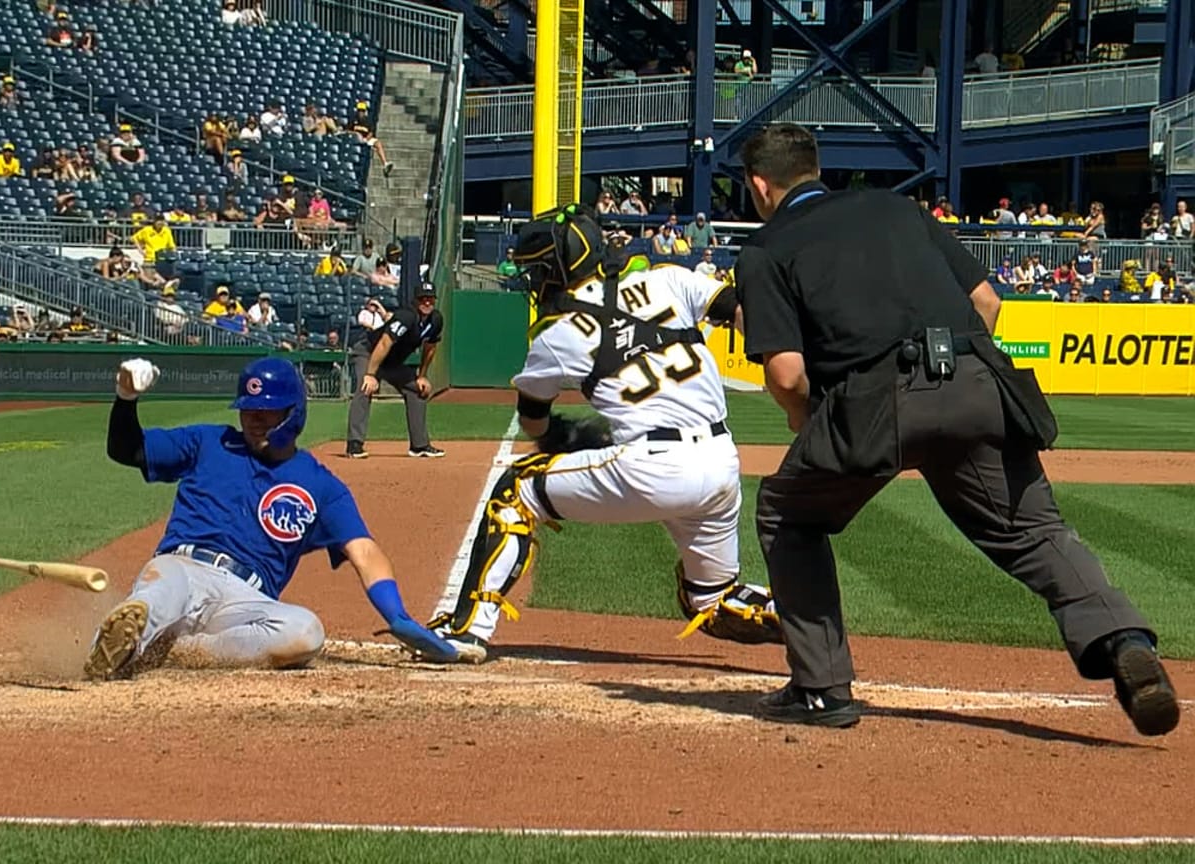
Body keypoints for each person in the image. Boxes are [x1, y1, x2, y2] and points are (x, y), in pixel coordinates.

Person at [733, 123, 1178, 735]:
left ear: (760, 186)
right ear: (814, 167)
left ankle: (822, 689)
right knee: (1032, 530)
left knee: (789, 514)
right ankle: (1122, 637)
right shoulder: (898, 208)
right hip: (976, 377)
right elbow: (988, 302)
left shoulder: (764, 249)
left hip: (872, 397)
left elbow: (787, 376)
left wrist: (809, 423)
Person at [426, 203, 780, 658]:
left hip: (652, 468)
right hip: (722, 462)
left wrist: (559, 438)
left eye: (540, 273)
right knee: (711, 601)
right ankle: (806, 621)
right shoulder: (667, 278)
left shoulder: (557, 335)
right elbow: (740, 309)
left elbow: (533, 418)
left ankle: (466, 629)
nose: (537, 283)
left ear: (559, 270)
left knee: (517, 489)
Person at [84, 356, 477, 679]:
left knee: (305, 632)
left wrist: (398, 615)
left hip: (246, 599)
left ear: (294, 413)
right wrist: (125, 396)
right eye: (249, 410)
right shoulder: (208, 442)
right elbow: (126, 449)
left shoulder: (320, 485)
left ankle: (180, 651)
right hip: (183, 567)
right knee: (158, 594)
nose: (254, 419)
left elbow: (364, 550)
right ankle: (116, 648)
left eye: (267, 411)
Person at [345, 283, 444, 459]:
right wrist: (370, 374)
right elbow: (384, 343)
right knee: (365, 387)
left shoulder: (435, 320)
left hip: (391, 362)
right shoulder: (406, 316)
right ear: (416, 300)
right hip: (369, 352)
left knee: (417, 390)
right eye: (423, 299)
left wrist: (422, 376)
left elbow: (430, 348)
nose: (426, 302)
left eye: (430, 299)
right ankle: (354, 444)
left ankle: (419, 445)